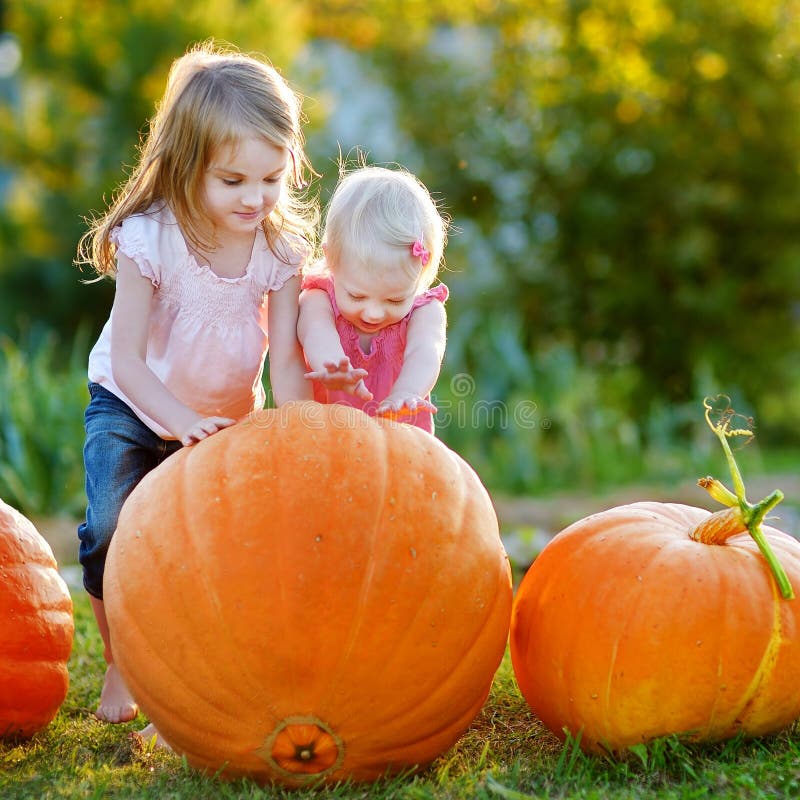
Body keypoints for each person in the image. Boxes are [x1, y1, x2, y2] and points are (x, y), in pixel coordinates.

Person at [74, 41, 317, 741]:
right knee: (114, 531)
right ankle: (122, 663)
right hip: (133, 403)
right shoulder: (151, 238)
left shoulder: (279, 252)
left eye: (272, 178)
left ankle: (188, 680)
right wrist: (180, 421)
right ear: (187, 167)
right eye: (233, 180)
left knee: (212, 558)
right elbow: (126, 360)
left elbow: (287, 366)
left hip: (224, 420)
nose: (256, 198)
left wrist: (302, 436)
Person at [298, 165, 449, 433]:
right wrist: (331, 365)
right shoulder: (318, 297)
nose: (373, 313)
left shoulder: (425, 312)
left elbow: (426, 353)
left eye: (394, 301)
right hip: (327, 438)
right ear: (331, 259)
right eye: (357, 295)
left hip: (398, 441)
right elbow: (315, 332)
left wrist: (406, 392)